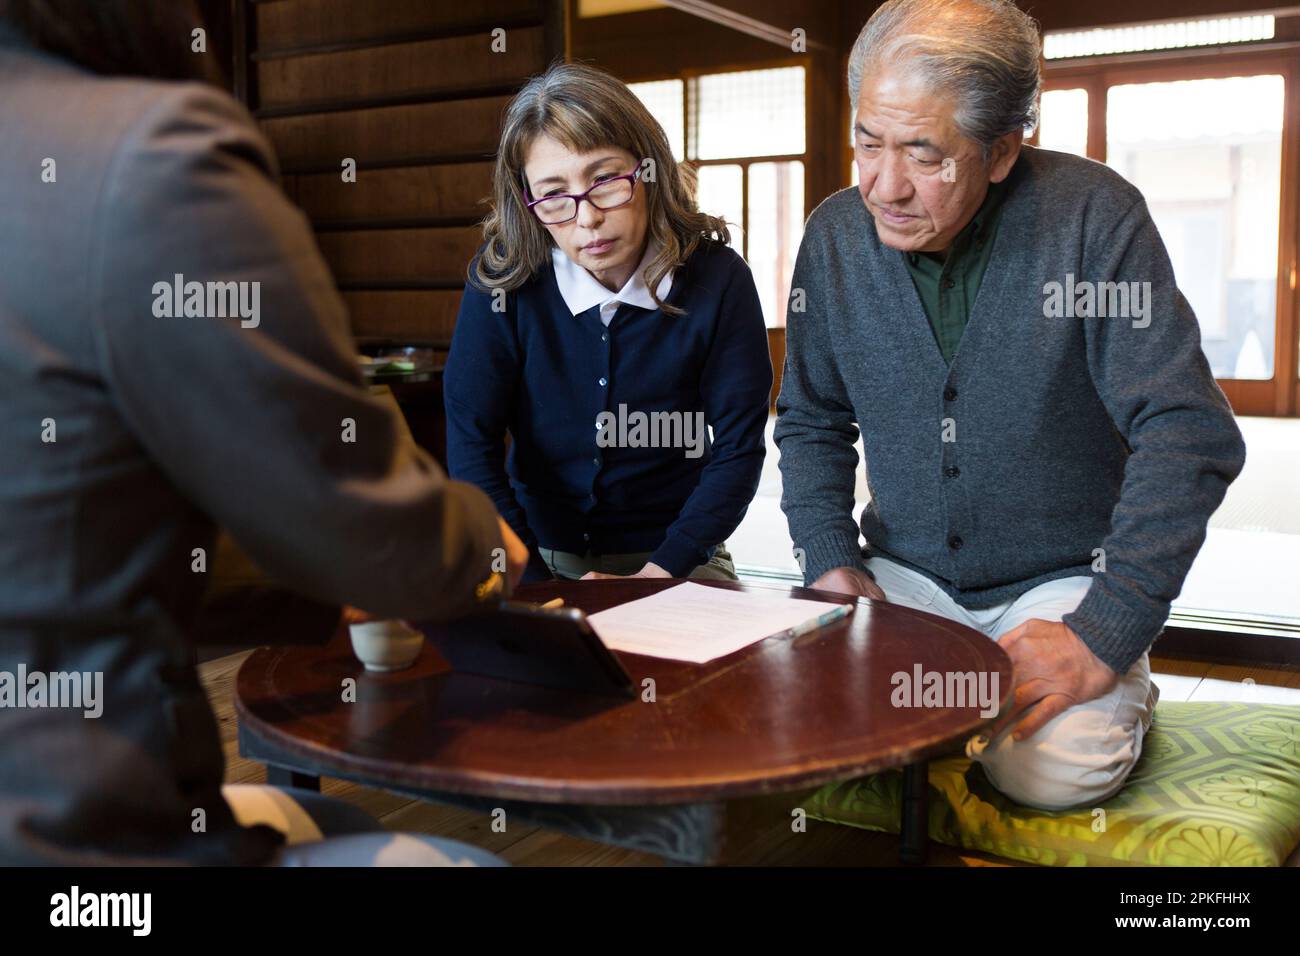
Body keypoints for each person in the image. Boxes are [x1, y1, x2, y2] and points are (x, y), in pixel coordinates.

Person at [0, 0, 525, 865]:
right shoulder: (150, 158)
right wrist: (482, 545)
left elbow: (77, 539)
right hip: (76, 852)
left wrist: (319, 587)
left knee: (342, 825)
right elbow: (356, 519)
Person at [775, 0, 1246, 810]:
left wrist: (1105, 633)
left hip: (1062, 579)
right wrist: (829, 559)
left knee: (1052, 770)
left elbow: (1186, 430)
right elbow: (812, 416)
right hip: (906, 577)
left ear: (1001, 150)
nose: (883, 186)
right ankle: (960, 707)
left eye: (923, 153)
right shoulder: (835, 237)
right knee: (787, 715)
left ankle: (1112, 687)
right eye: (868, 142)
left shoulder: (1095, 218)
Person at [445, 62, 772, 584]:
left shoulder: (718, 280)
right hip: (532, 556)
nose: (587, 217)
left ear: (648, 171)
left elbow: (738, 450)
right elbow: (471, 447)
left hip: (679, 557)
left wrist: (659, 575)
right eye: (554, 194)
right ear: (528, 203)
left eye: (605, 181)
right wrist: (541, 588)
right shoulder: (502, 282)